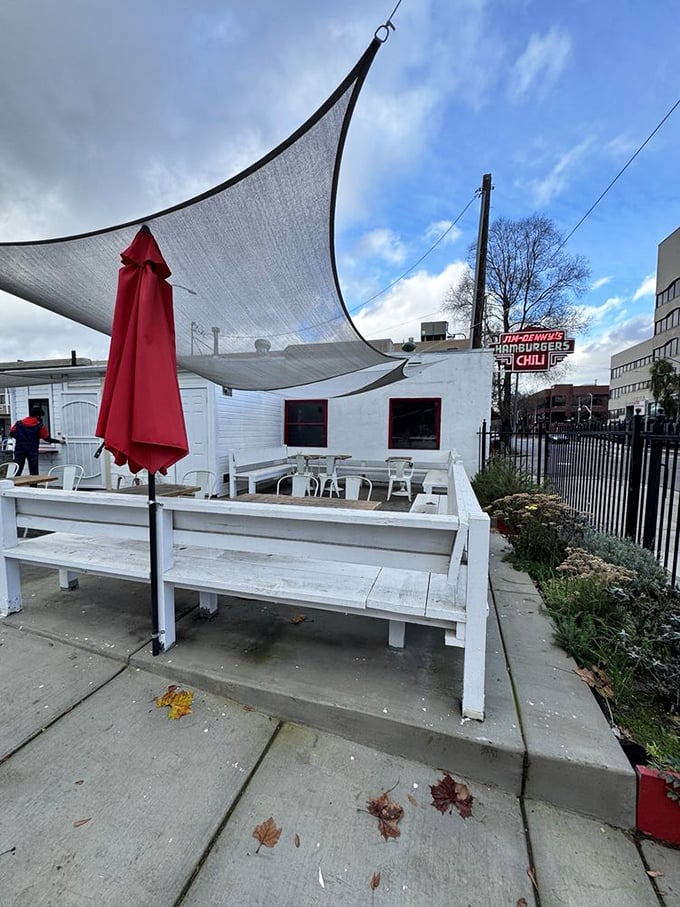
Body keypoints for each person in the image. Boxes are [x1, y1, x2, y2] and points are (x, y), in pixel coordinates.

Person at [9, 406, 65, 476]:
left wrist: (20, 438)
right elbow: (47, 438)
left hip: (19, 448)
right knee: (33, 470)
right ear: (38, 416)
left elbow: (11, 433)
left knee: (17, 468)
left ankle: (14, 485)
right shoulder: (39, 426)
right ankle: (34, 486)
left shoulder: (18, 423)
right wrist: (59, 441)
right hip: (32, 449)